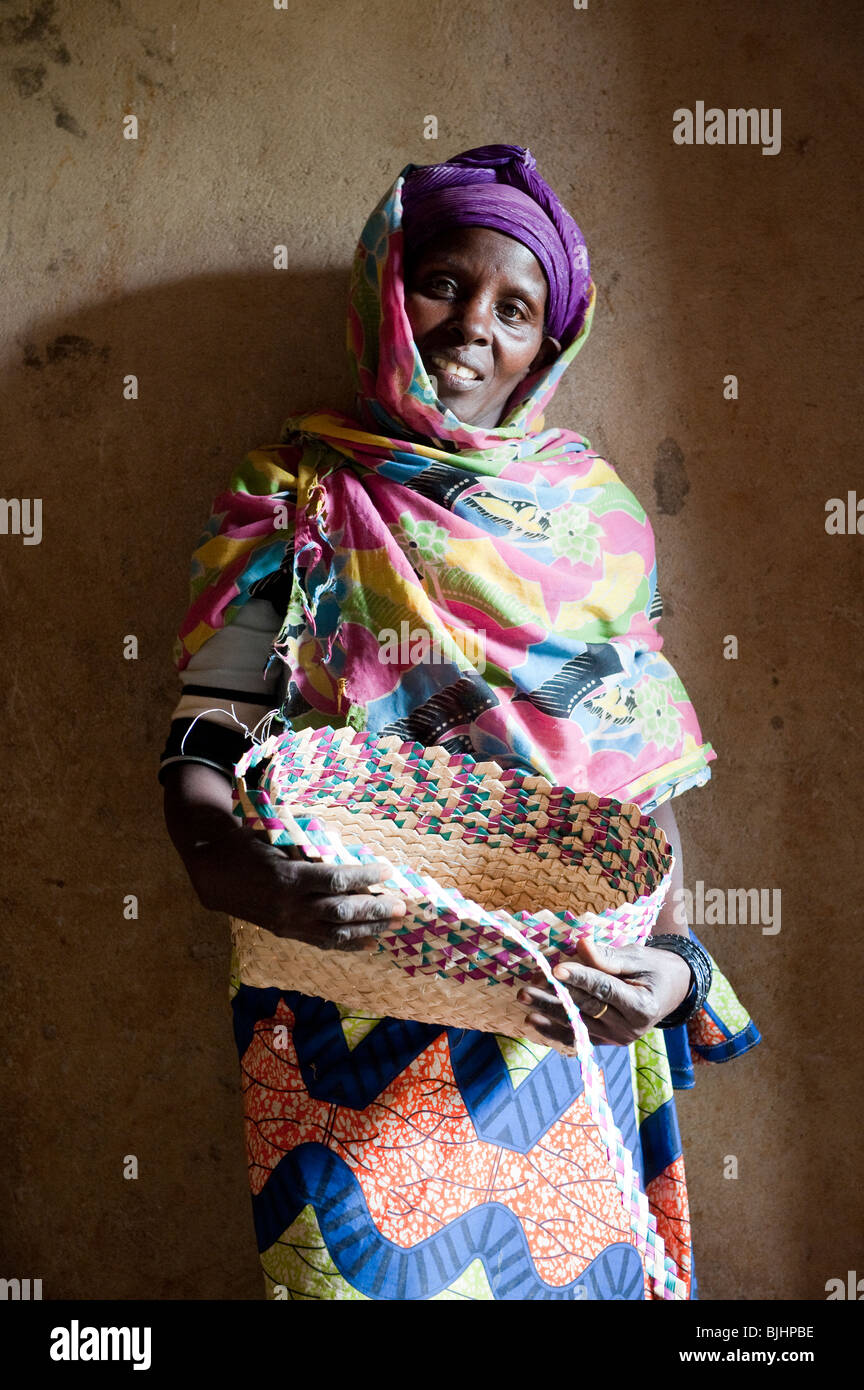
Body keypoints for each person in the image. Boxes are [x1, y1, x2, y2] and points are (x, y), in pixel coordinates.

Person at [160, 144, 760, 1301]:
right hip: (349, 986)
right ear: (386, 290)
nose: (472, 326)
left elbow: (637, 795)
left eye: (517, 308)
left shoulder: (597, 518)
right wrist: (240, 876)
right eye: (443, 283)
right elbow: (212, 721)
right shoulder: (299, 483)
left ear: (550, 345)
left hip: (564, 1003)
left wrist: (671, 973)